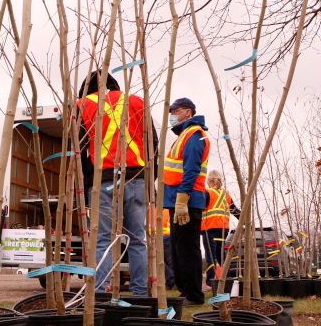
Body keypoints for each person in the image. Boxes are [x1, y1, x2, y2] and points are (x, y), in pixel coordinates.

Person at [76, 71, 157, 297]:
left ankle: (100, 295)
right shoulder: (136, 101)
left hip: (101, 181)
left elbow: (79, 150)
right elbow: (153, 143)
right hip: (136, 178)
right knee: (137, 240)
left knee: (102, 240)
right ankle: (140, 294)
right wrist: (148, 177)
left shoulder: (82, 105)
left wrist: (85, 182)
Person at [163, 97, 211, 306]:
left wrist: (182, 199)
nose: (172, 114)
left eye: (175, 110)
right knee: (177, 250)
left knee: (187, 250)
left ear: (188, 113)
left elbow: (191, 170)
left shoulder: (195, 135)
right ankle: (185, 291)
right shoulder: (184, 135)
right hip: (177, 202)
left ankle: (194, 295)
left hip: (187, 203)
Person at [201, 170, 240, 282]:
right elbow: (235, 211)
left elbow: (199, 209)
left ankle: (210, 282)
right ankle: (225, 279)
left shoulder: (207, 193)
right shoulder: (226, 195)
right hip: (223, 230)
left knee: (210, 257)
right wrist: (245, 220)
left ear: (210, 181)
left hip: (209, 229)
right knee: (220, 256)